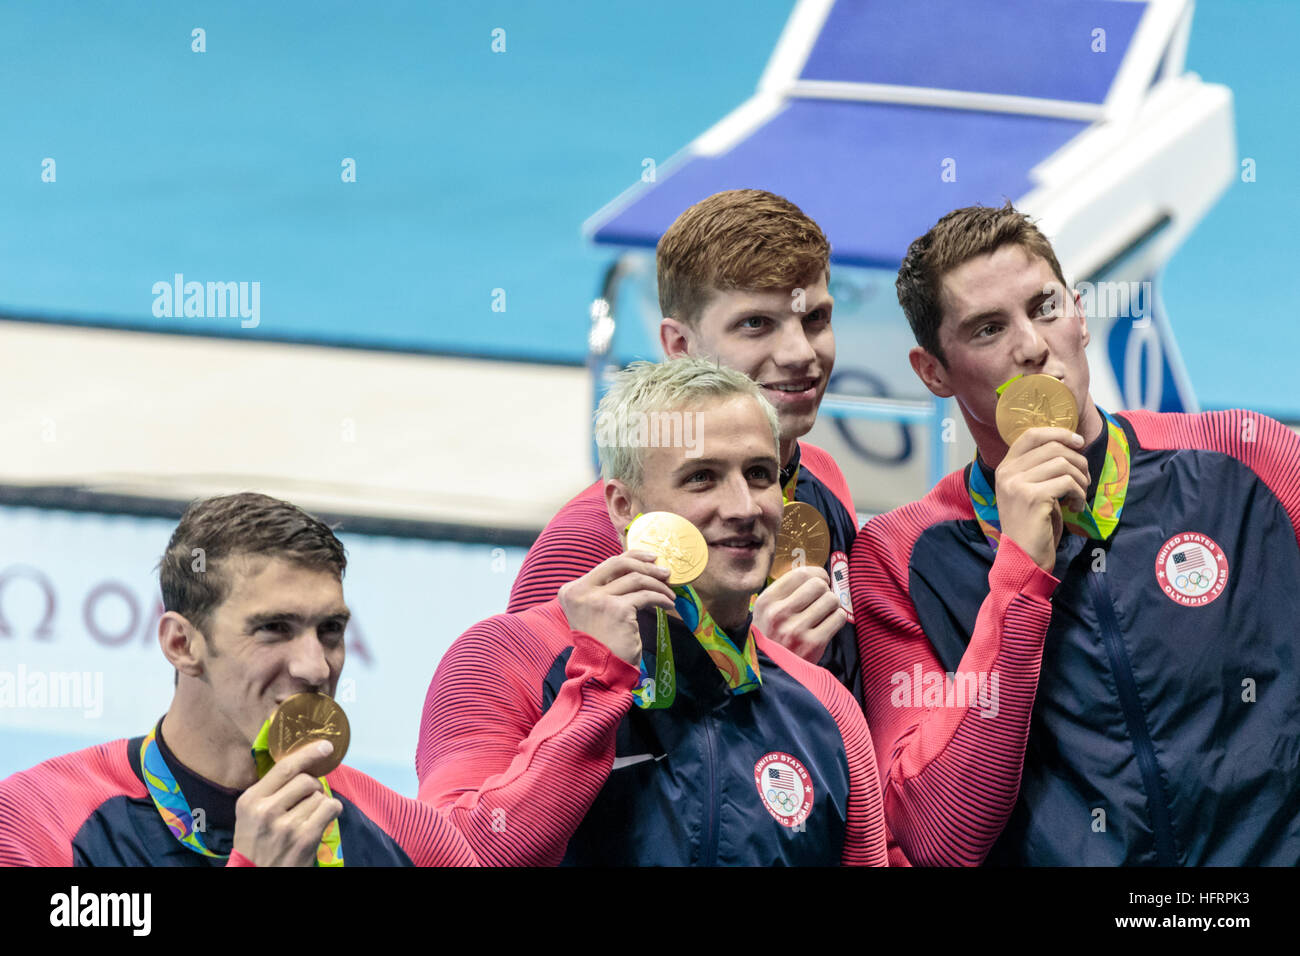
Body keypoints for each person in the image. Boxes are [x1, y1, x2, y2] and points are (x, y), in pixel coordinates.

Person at [849, 202, 1300, 865]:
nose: (1032, 345)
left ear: (1081, 315)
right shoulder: (901, 556)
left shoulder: (1244, 458)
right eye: (987, 328)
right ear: (933, 372)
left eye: (1046, 307)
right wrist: (1019, 579)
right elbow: (939, 838)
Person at [419, 358, 895, 865]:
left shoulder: (825, 708)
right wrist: (598, 685)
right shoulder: (504, 659)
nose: (744, 507)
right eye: (702, 478)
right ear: (625, 507)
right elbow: (455, 856)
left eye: (758, 474)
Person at [0, 493, 620, 867]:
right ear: (182, 644)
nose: (315, 667)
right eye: (273, 629)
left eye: (329, 630)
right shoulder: (45, 822)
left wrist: (602, 671)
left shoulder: (382, 822)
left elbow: (498, 847)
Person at [508, 190, 862, 701]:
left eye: (815, 320)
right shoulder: (585, 543)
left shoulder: (822, 475)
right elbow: (539, 749)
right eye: (755, 324)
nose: (800, 353)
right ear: (679, 346)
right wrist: (759, 662)